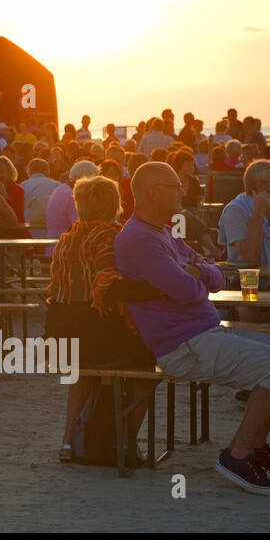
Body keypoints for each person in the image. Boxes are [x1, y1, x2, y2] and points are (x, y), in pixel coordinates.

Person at [116, 161, 270, 494]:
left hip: (206, 330)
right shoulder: (138, 238)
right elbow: (186, 288)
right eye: (175, 185)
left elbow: (214, 271)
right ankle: (237, 454)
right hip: (183, 344)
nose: (183, 190)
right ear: (153, 193)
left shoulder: (164, 230)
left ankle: (253, 445)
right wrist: (197, 277)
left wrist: (199, 275)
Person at [46, 175, 157, 463]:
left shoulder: (66, 238)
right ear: (113, 205)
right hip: (99, 339)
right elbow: (108, 283)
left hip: (63, 337)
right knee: (147, 366)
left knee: (83, 369)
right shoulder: (108, 236)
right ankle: (125, 440)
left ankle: (68, 441)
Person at [20, 158, 61, 237]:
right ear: (47, 171)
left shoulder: (23, 185)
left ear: (29, 171)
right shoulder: (57, 185)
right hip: (52, 231)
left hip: (30, 230)